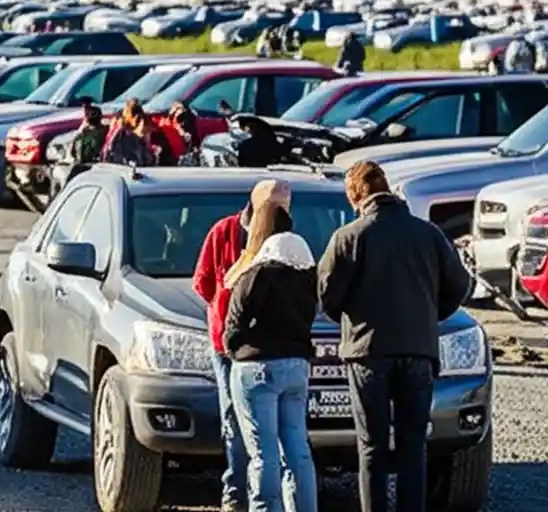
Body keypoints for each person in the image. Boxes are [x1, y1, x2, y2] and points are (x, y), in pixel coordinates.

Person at [317, 162, 471, 512]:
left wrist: (352, 317)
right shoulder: (429, 234)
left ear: (356, 195)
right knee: (413, 445)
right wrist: (428, 316)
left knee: (371, 446)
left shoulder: (350, 237)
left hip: (367, 352)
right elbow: (459, 286)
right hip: (418, 350)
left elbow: (327, 296)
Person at [194, 180, 293, 512]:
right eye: (279, 204)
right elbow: (204, 283)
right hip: (228, 346)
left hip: (272, 348)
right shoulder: (223, 233)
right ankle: (235, 490)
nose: (285, 210)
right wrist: (226, 316)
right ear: (259, 204)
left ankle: (271, 494)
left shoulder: (285, 240)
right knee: (234, 421)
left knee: (274, 428)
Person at [224, 191, 318, 512]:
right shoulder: (306, 272)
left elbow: (234, 321)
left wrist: (233, 349)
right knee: (297, 451)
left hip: (257, 367)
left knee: (263, 454)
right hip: (296, 367)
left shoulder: (258, 271)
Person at [69, 102, 109, 171]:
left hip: (96, 166)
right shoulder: (83, 133)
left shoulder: (106, 132)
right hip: (88, 166)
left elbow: (73, 152)